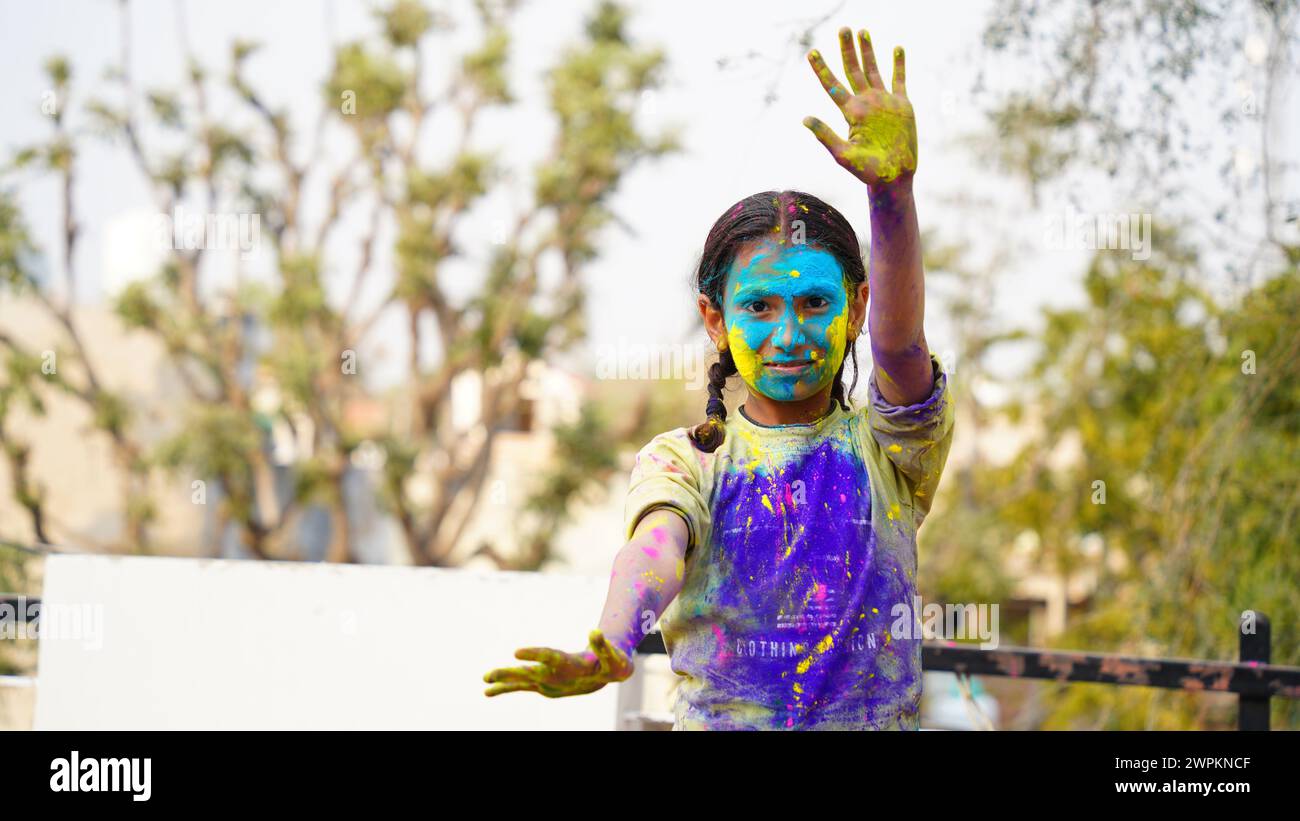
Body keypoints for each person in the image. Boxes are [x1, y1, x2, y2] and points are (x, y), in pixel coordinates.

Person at [483, 25, 954, 730]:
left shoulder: (890, 445)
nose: (788, 333)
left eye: (815, 303)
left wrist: (893, 196)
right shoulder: (687, 460)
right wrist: (614, 637)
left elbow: (902, 347)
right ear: (714, 317)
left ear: (855, 307)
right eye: (759, 306)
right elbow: (656, 549)